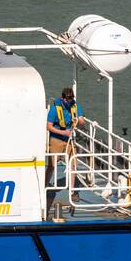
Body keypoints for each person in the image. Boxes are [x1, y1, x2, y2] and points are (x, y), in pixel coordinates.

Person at [45, 86, 85, 214]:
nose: (69, 102)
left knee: (73, 165)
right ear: (62, 98)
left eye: (71, 100)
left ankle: (72, 192)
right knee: (52, 165)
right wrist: (62, 132)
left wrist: (79, 120)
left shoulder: (75, 106)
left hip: (70, 139)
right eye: (67, 100)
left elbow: (82, 120)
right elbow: (49, 126)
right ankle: (44, 186)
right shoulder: (54, 109)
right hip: (57, 138)